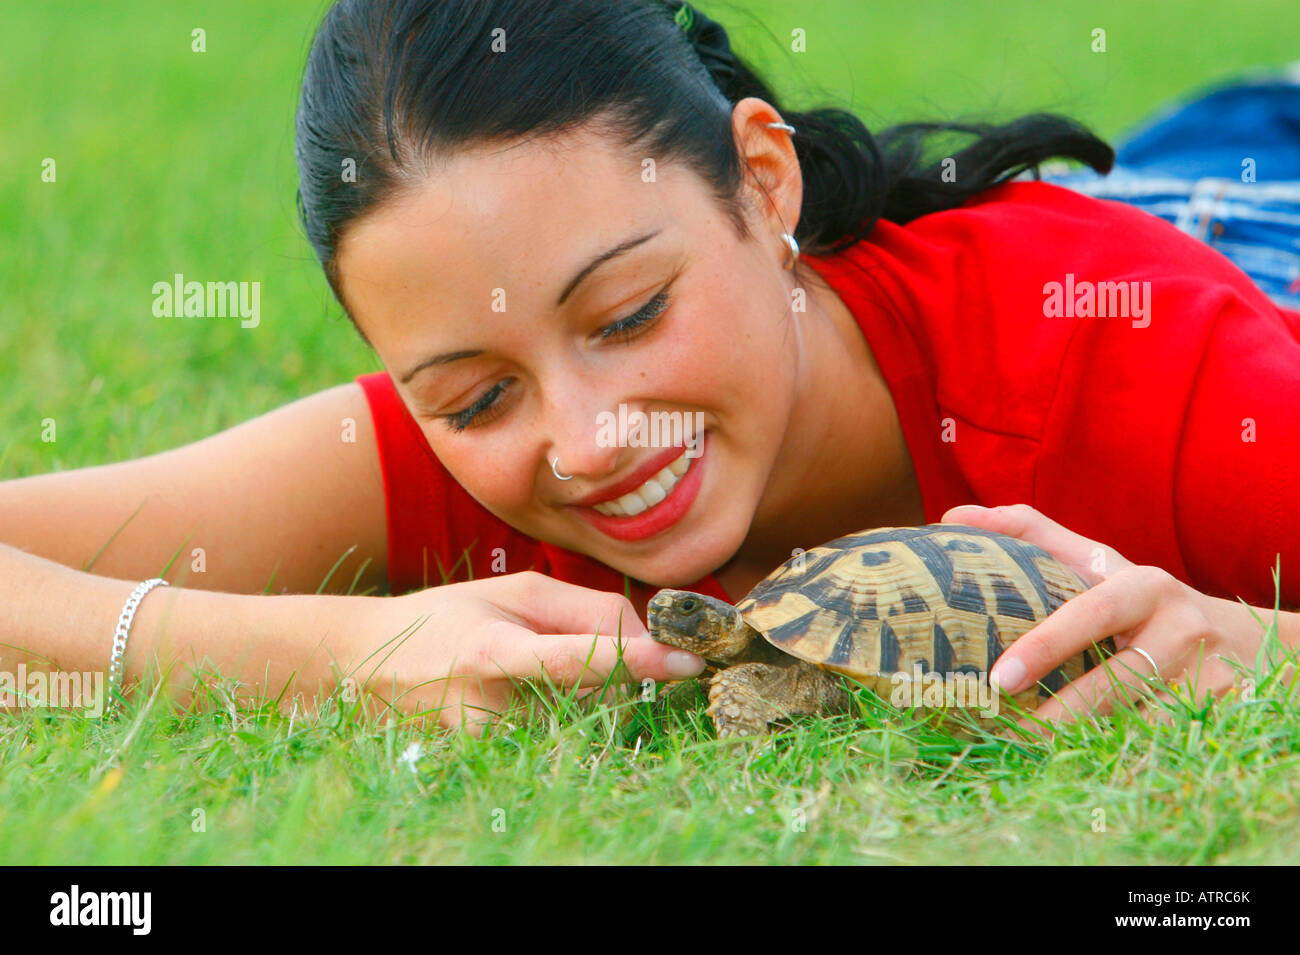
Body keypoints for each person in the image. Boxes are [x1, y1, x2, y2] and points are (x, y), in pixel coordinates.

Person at [3, 0, 1297, 735]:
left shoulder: (1146, 378)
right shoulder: (452, 471)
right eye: (474, 392)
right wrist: (332, 650)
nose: (587, 439)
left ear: (765, 178)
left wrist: (1258, 640)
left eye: (627, 315)